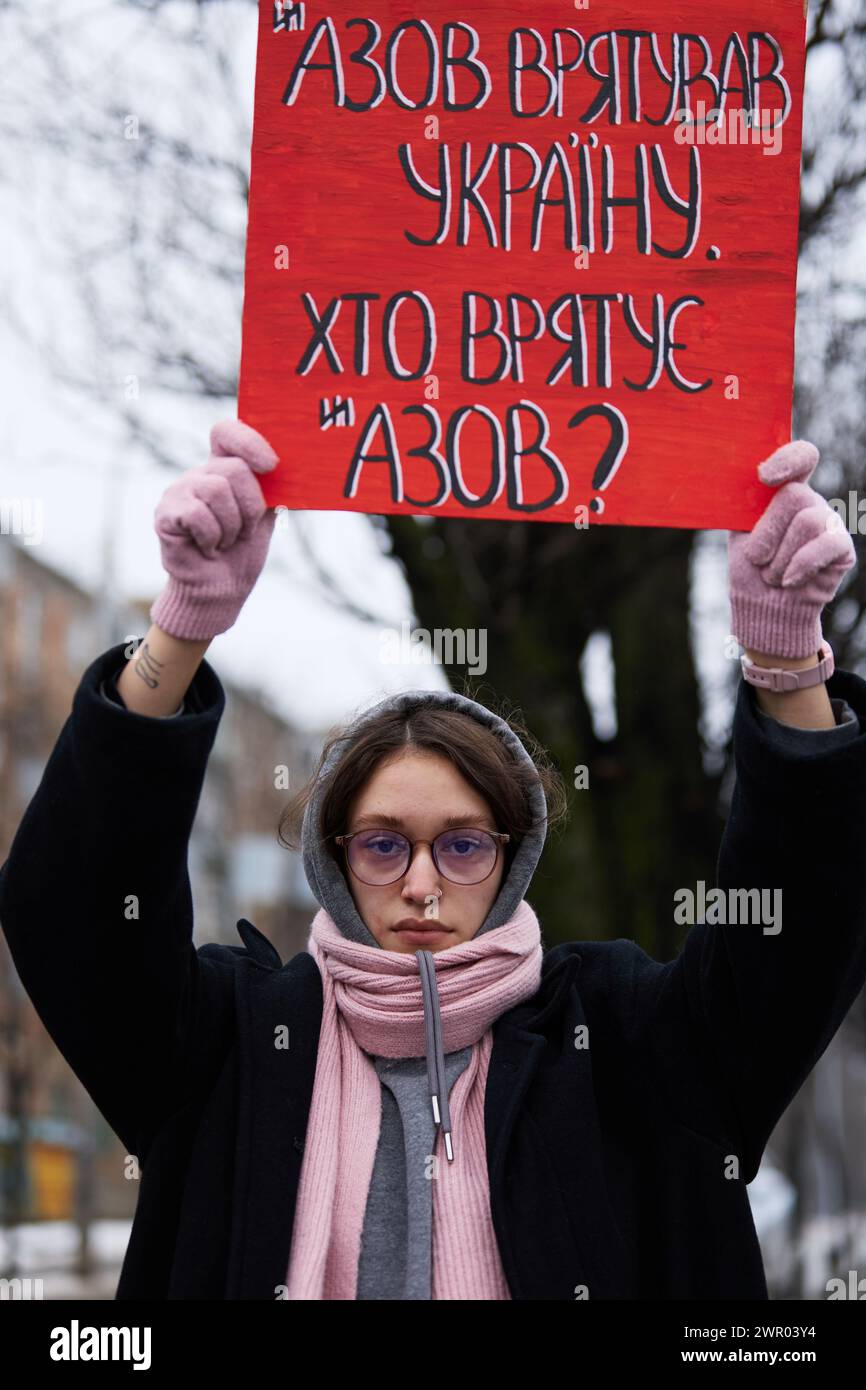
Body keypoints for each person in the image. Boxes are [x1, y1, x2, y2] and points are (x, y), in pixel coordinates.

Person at [0, 418, 864, 1301]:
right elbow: (72, 911)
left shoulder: (619, 1041)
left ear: (511, 857)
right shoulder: (230, 1045)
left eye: (461, 846)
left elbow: (798, 947)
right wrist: (179, 631)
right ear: (332, 858)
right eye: (381, 845)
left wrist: (787, 659)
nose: (420, 883)